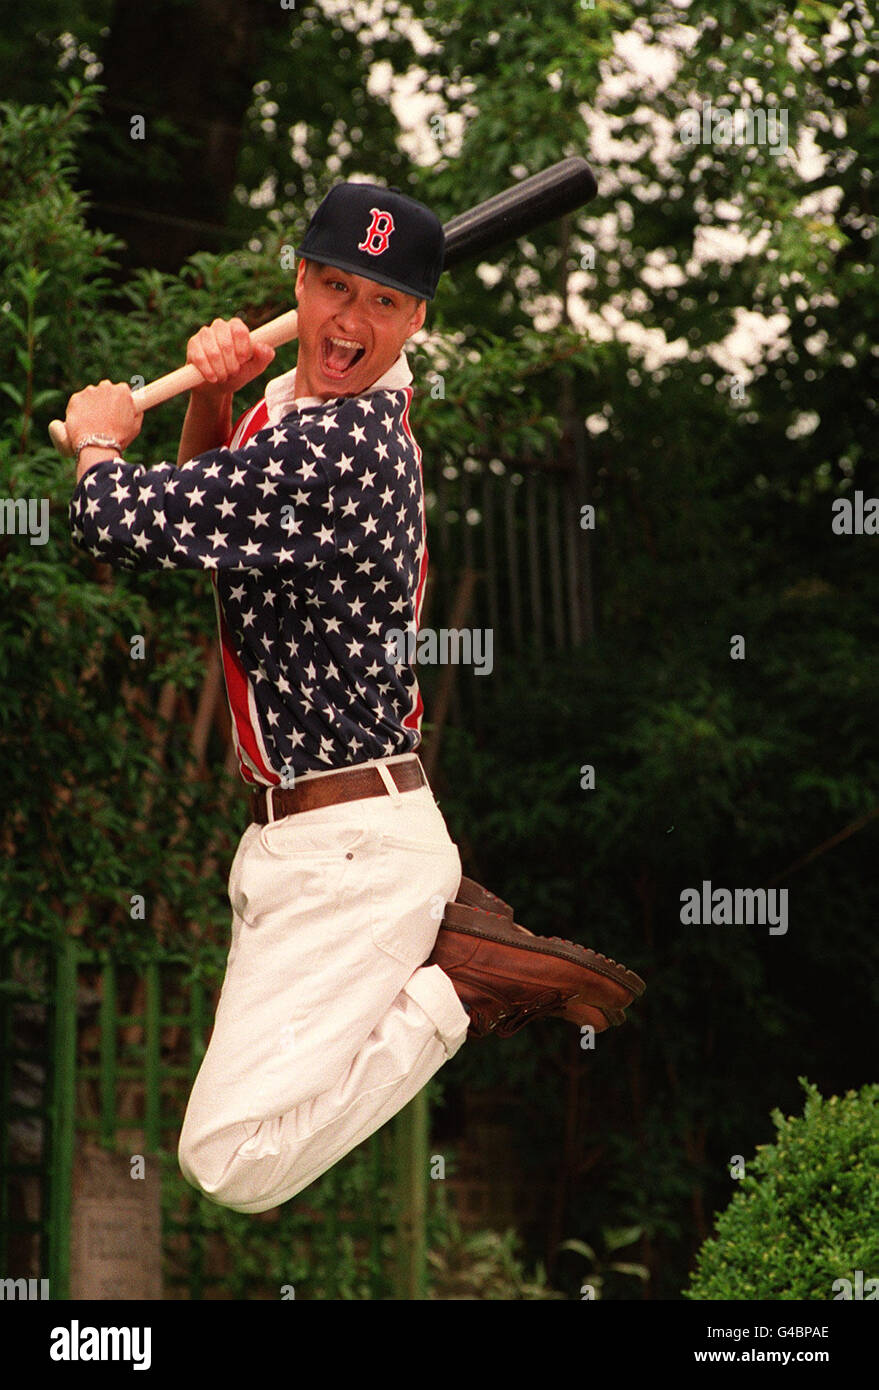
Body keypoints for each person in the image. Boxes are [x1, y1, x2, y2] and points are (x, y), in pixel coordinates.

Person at [65, 182, 643, 1214]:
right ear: (299, 279)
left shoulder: (343, 447)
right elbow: (212, 527)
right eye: (335, 287)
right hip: (303, 842)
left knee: (230, 1162)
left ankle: (450, 989)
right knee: (234, 1149)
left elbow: (120, 522)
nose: (349, 322)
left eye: (383, 302)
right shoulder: (309, 420)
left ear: (419, 318)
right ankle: (446, 975)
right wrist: (216, 392)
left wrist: (102, 439)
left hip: (351, 848)